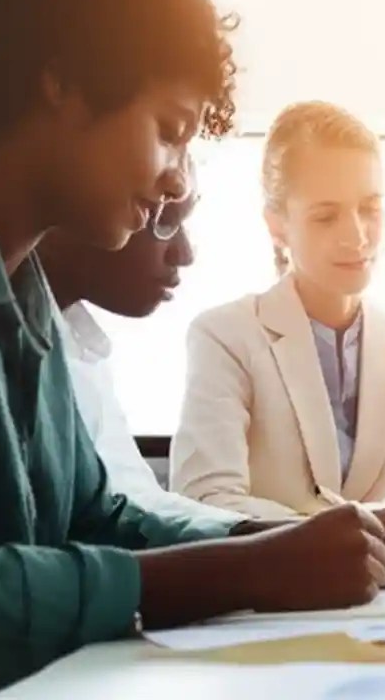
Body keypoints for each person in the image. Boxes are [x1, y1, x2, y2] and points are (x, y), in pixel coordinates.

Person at [0, 0, 385, 694]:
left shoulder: (28, 304)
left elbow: (99, 515)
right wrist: (249, 570)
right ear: (62, 81)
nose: (174, 180)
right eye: (168, 129)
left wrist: (288, 545)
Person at [170, 101, 385, 565]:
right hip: (271, 601)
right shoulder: (226, 336)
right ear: (278, 226)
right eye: (325, 216)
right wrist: (371, 533)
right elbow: (205, 500)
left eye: (369, 209)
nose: (357, 236)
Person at [39, 175, 243, 524]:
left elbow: (132, 504)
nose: (185, 253)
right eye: (162, 220)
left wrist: (272, 537)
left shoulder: (79, 343)